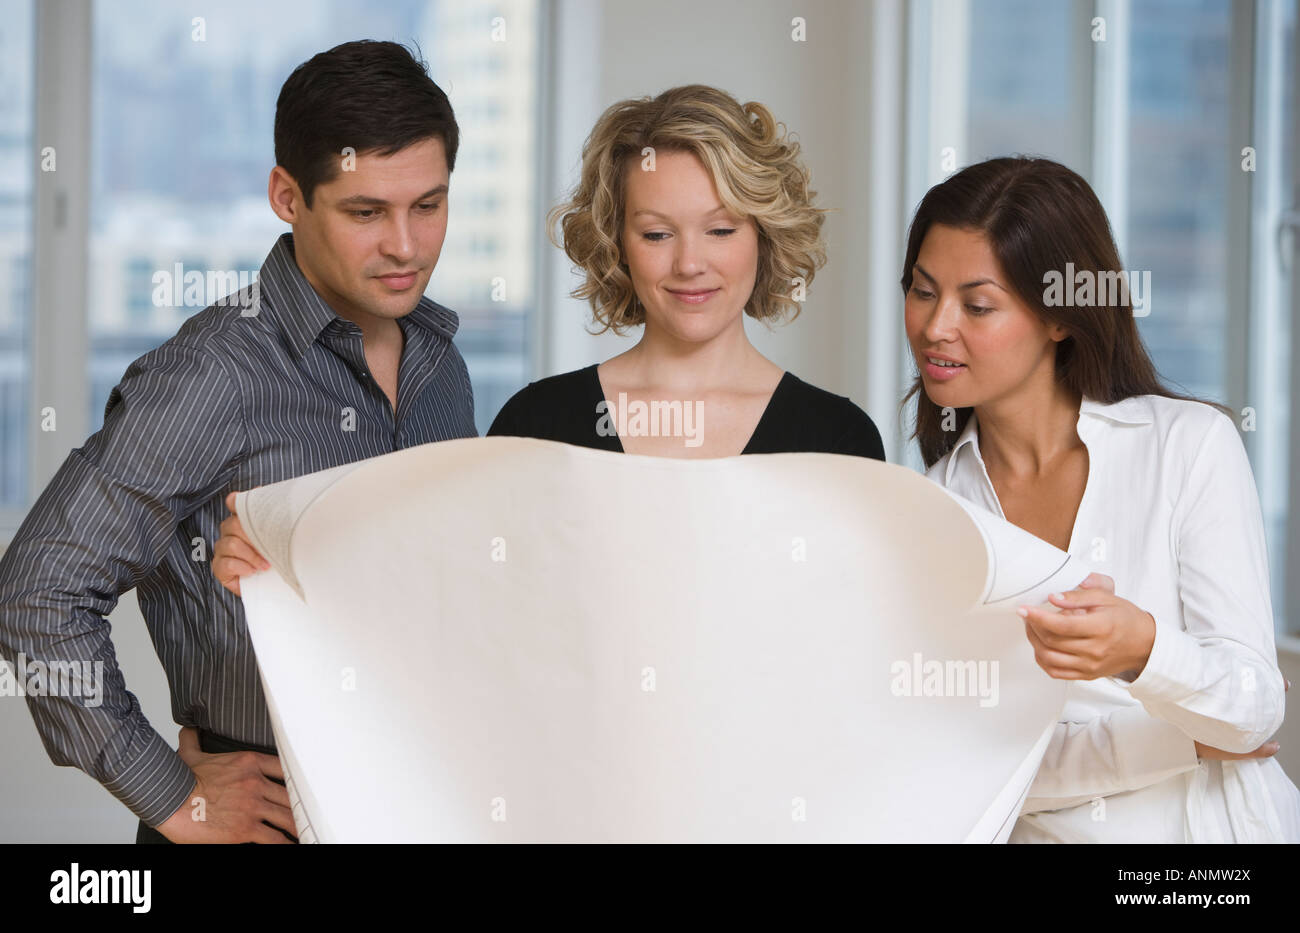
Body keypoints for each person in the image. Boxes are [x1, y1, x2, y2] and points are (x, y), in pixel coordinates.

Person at [0, 40, 477, 844]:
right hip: (264, 823)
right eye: (367, 212)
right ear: (288, 196)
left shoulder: (442, 364)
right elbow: (37, 590)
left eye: (427, 205)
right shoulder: (214, 371)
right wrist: (171, 793)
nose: (406, 245)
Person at [902, 155, 1300, 842]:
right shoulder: (932, 516)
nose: (936, 327)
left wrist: (1143, 646)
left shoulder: (1187, 446)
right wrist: (1179, 741)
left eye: (977, 304)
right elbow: (972, 770)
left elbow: (1255, 712)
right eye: (922, 290)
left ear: (1060, 317)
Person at [486, 85, 885, 460]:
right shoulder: (534, 425)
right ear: (617, 242)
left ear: (765, 236)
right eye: (657, 234)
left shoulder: (838, 438)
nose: (689, 264)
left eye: (721, 231)